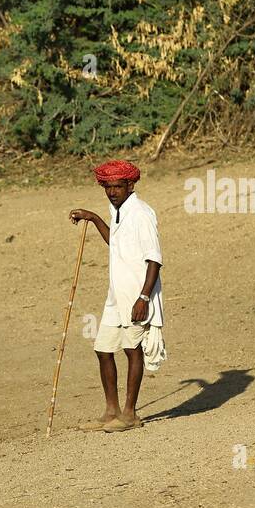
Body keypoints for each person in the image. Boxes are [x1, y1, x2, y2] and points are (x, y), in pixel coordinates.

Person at [68, 159, 163, 432]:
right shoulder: (118, 211)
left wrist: (144, 298)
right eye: (107, 187)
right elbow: (115, 242)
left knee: (133, 350)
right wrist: (95, 218)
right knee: (103, 349)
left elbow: (154, 259)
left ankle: (130, 414)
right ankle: (111, 411)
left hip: (136, 296)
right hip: (116, 296)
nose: (112, 192)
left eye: (118, 186)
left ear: (130, 185)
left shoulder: (142, 214)